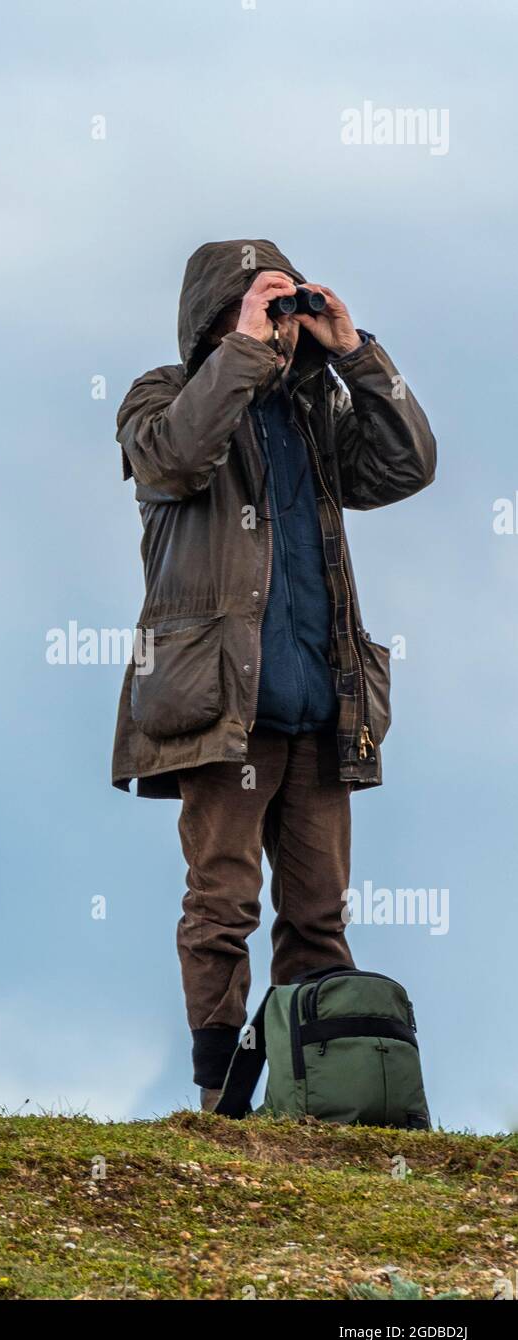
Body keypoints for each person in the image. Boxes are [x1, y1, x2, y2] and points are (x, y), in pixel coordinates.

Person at [112, 239, 436, 1109]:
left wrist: (357, 352)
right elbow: (175, 460)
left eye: (286, 309)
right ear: (215, 318)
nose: (281, 327)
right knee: (221, 905)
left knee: (318, 916)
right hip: (222, 706)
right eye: (261, 307)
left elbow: (408, 466)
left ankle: (317, 1099)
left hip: (322, 704)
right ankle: (221, 1101)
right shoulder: (165, 397)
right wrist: (244, 352)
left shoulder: (311, 413)